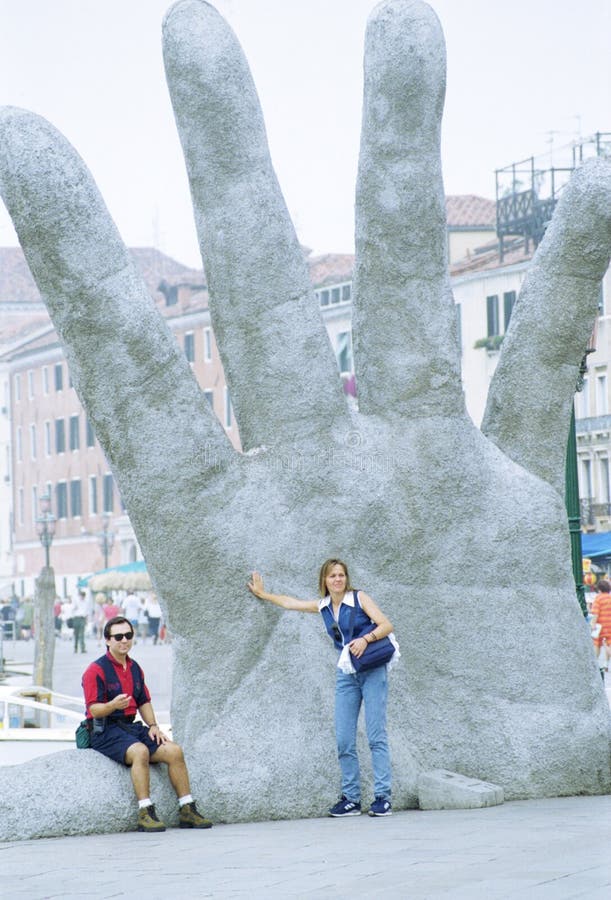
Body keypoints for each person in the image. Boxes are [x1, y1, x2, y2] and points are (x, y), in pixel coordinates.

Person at [248, 558, 396, 817]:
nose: (337, 579)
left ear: (346, 578)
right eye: (332, 576)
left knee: (376, 735)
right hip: (347, 672)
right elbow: (291, 603)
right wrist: (263, 594)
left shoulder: (359, 598)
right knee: (343, 738)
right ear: (324, 581)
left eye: (341, 575)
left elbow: (386, 625)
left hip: (372, 669)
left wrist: (365, 638)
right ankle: (351, 798)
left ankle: (383, 797)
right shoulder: (325, 605)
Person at [81, 615, 212, 833]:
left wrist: (153, 726)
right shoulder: (95, 670)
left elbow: (143, 701)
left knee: (174, 751)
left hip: (130, 726)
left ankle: (187, 809)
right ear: (107, 640)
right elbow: (93, 710)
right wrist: (113, 705)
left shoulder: (134, 668)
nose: (124, 640)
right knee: (140, 752)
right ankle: (145, 812)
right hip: (103, 729)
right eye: (118, 636)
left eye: (128, 635)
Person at [591, 580, 611, 673]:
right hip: (609, 624)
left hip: (601, 626)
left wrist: (593, 624)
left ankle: (595, 663)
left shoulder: (598, 599)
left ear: (599, 589)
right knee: (609, 643)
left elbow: (595, 613)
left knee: (597, 644)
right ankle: (606, 663)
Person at [71, 589, 89, 653]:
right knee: (76, 634)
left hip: (82, 618)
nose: (82, 597)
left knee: (82, 634)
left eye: (83, 596)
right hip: (76, 618)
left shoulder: (86, 602)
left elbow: (86, 612)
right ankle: (75, 648)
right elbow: (72, 609)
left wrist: (86, 620)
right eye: (81, 596)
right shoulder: (76, 601)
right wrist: (75, 607)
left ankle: (82, 648)